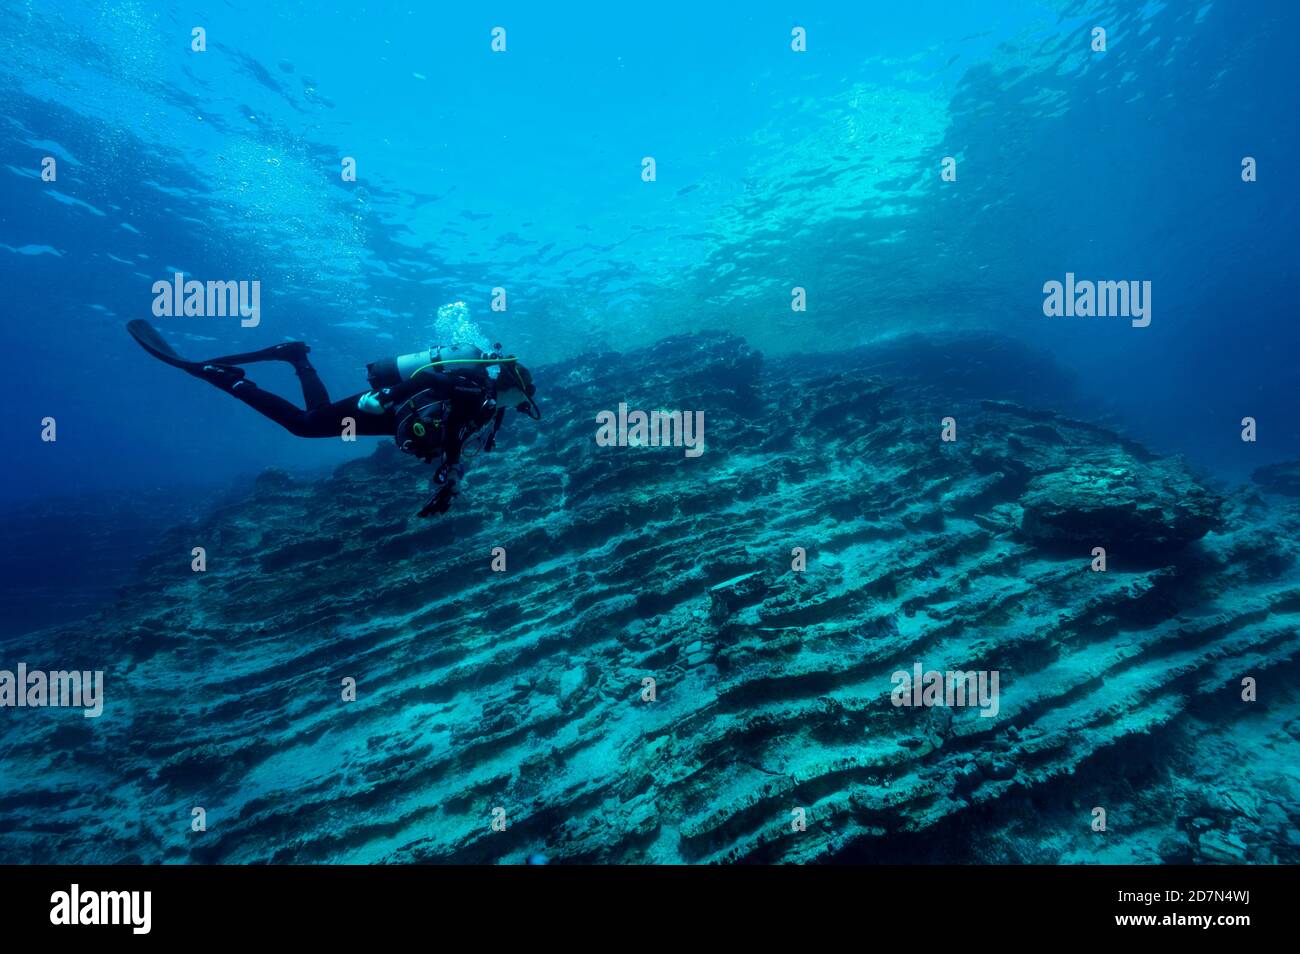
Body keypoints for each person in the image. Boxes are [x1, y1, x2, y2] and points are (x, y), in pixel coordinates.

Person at [127, 320, 539, 517]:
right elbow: (432, 379)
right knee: (305, 425)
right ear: (512, 385)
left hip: (401, 417)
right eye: (522, 398)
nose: (519, 406)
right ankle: (225, 379)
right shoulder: (477, 391)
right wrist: (388, 394)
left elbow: (456, 440)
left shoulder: (489, 408)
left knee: (315, 421)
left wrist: (448, 487)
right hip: (393, 406)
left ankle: (297, 357)